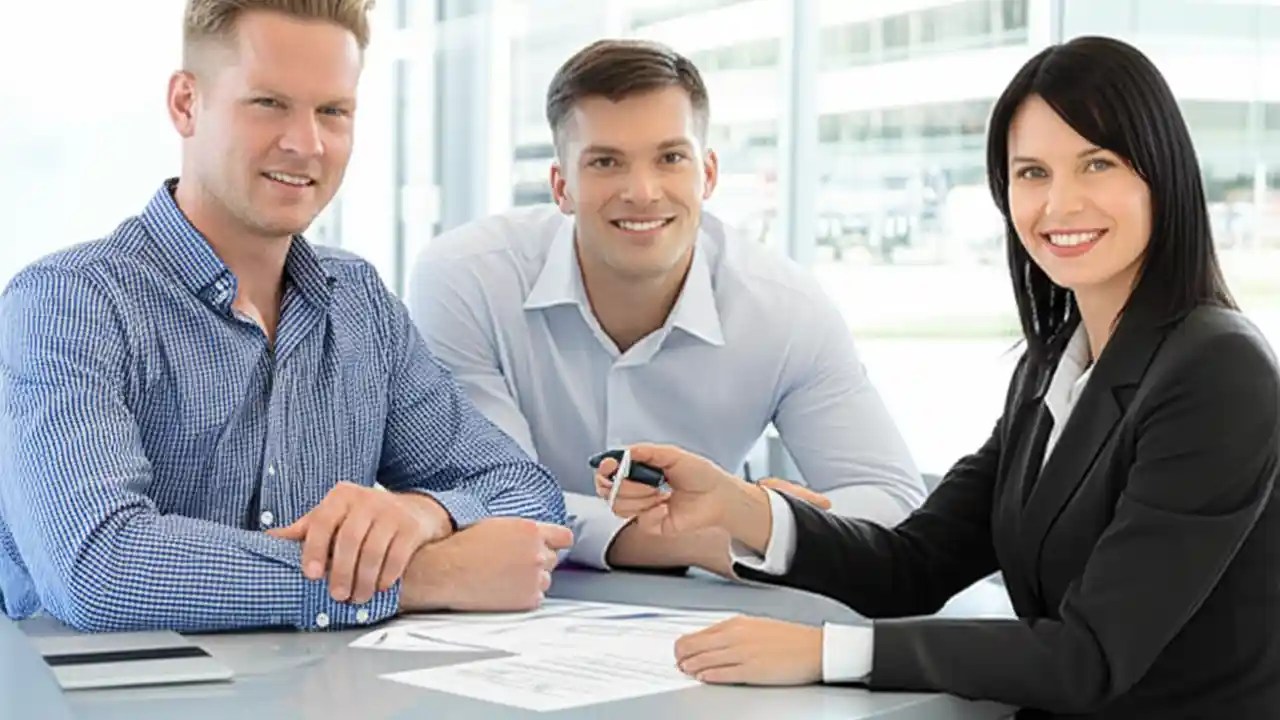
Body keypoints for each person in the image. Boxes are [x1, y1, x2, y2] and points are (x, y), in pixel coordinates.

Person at [596, 36, 1280, 718]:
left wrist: (825, 654)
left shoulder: (1217, 372)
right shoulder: (1053, 367)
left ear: (1161, 173)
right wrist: (738, 506)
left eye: (1095, 164)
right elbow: (915, 565)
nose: (1059, 203)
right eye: (1032, 173)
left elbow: (1091, 656)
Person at [0, 0, 571, 634]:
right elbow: (97, 567)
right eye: (269, 104)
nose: (306, 144)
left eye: (333, 111)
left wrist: (424, 514)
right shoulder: (67, 303)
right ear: (187, 104)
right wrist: (421, 577)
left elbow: (521, 487)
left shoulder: (358, 303)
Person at [409, 39, 924, 577]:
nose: (643, 191)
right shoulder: (466, 278)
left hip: (711, 614)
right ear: (562, 186)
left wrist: (761, 518)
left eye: (671, 158)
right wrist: (708, 541)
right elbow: (486, 494)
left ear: (709, 175)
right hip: (507, 603)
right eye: (606, 162)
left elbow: (893, 502)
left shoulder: (786, 309)